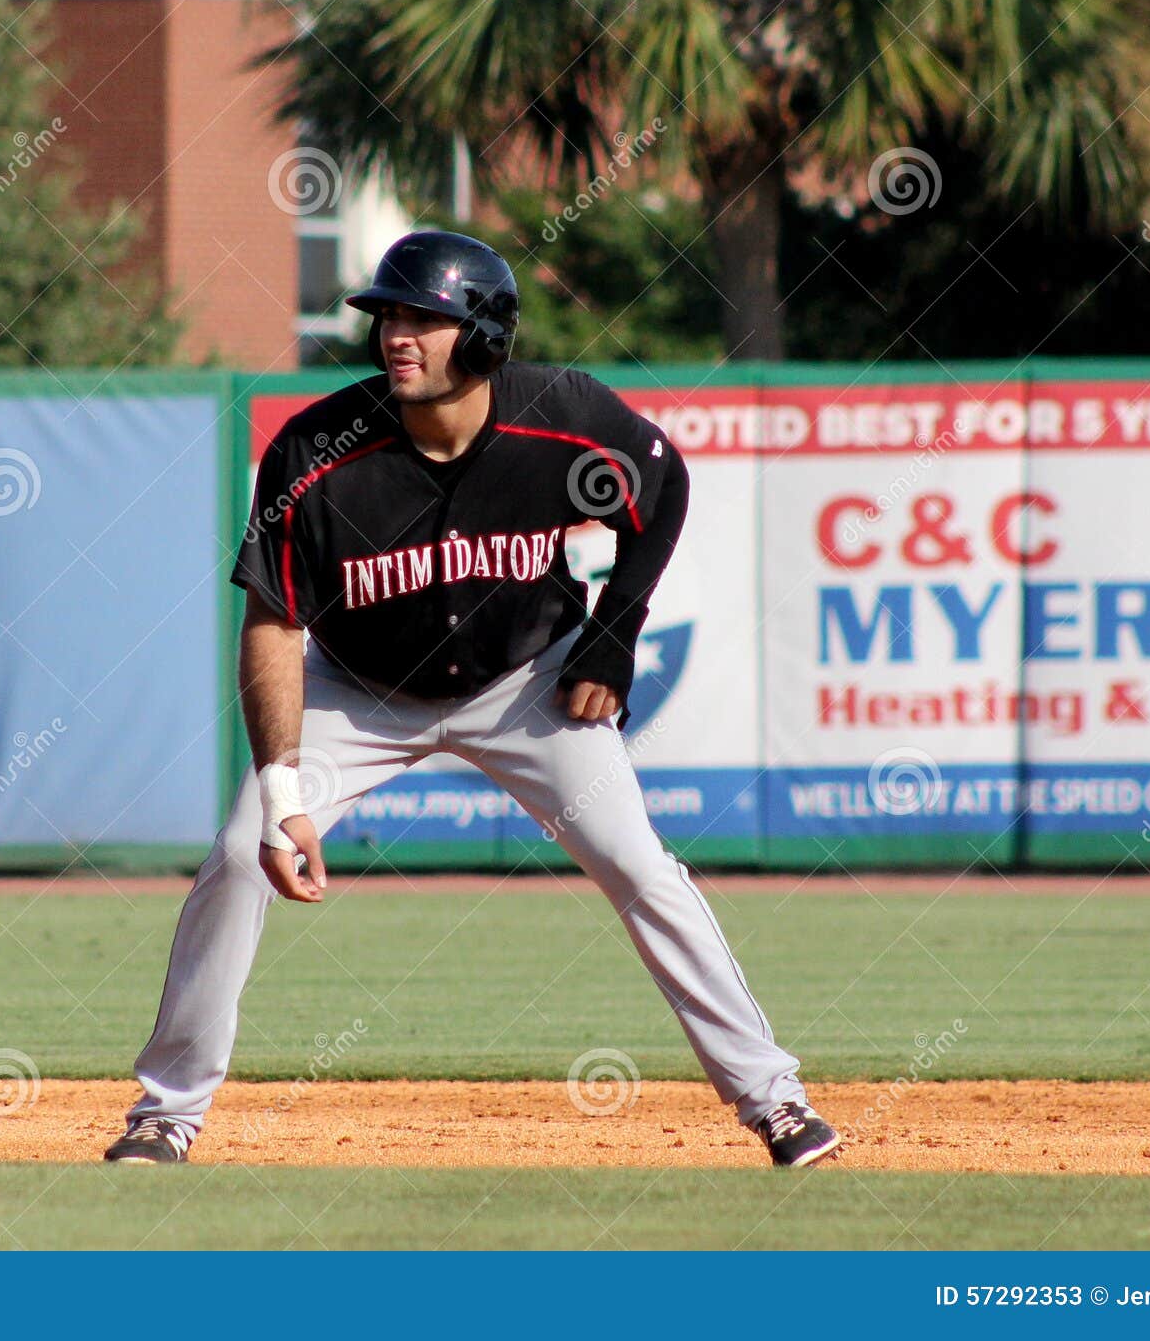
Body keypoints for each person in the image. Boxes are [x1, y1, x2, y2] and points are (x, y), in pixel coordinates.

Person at [104, 230, 840, 1169]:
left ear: (486, 335)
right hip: (357, 691)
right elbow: (275, 627)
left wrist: (613, 634)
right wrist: (285, 797)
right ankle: (167, 1112)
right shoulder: (319, 453)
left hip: (526, 681)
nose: (397, 337)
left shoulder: (562, 419)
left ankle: (774, 1100)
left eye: (426, 319)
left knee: (637, 866)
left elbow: (662, 486)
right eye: (388, 318)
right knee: (241, 858)